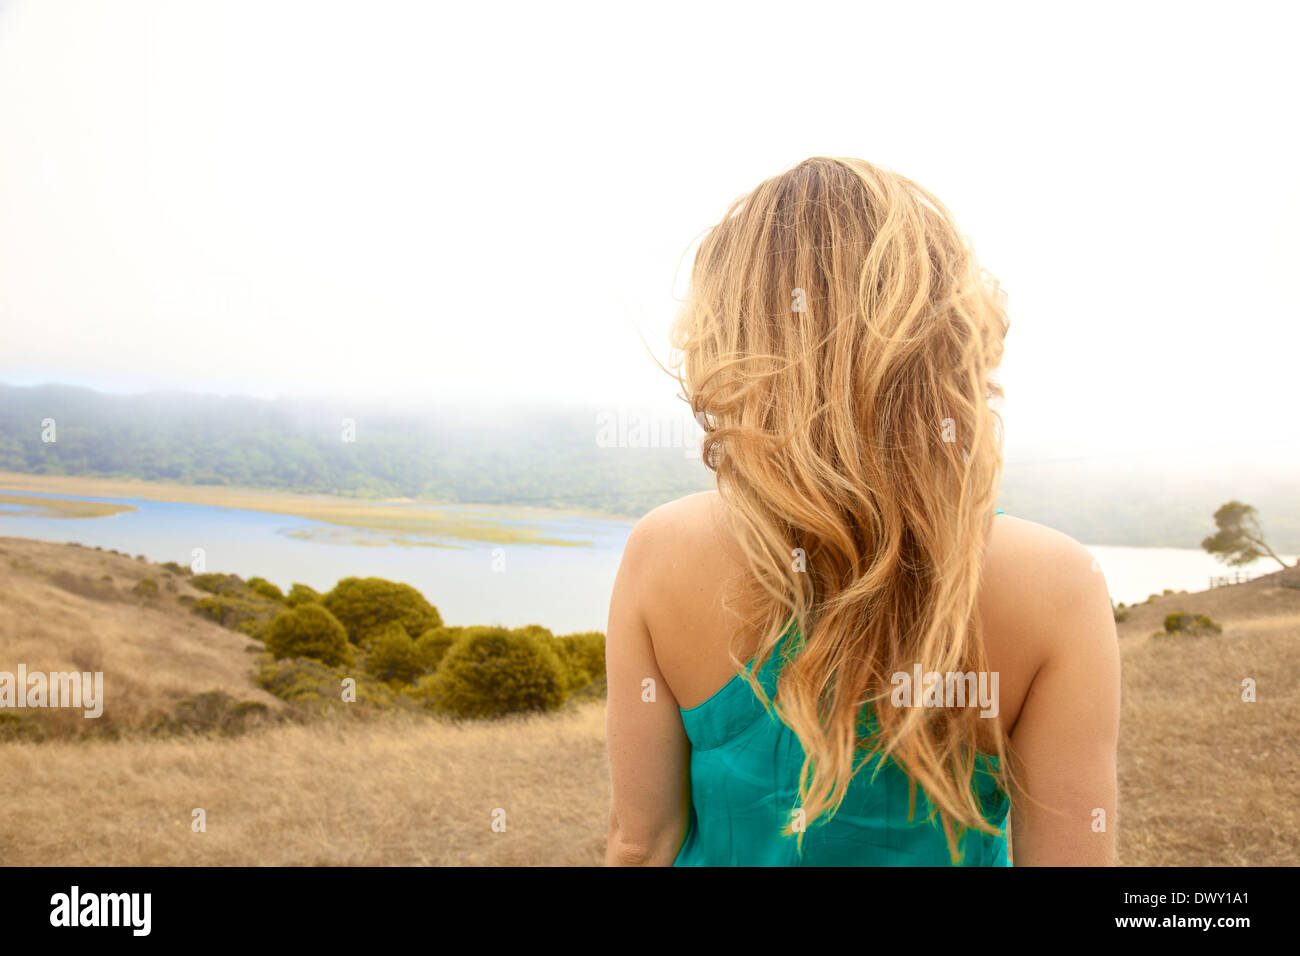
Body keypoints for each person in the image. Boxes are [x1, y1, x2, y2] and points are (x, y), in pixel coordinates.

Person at [604, 157, 1120, 866]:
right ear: (949, 333)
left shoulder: (662, 550)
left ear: (733, 335)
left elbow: (641, 842)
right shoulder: (1057, 584)